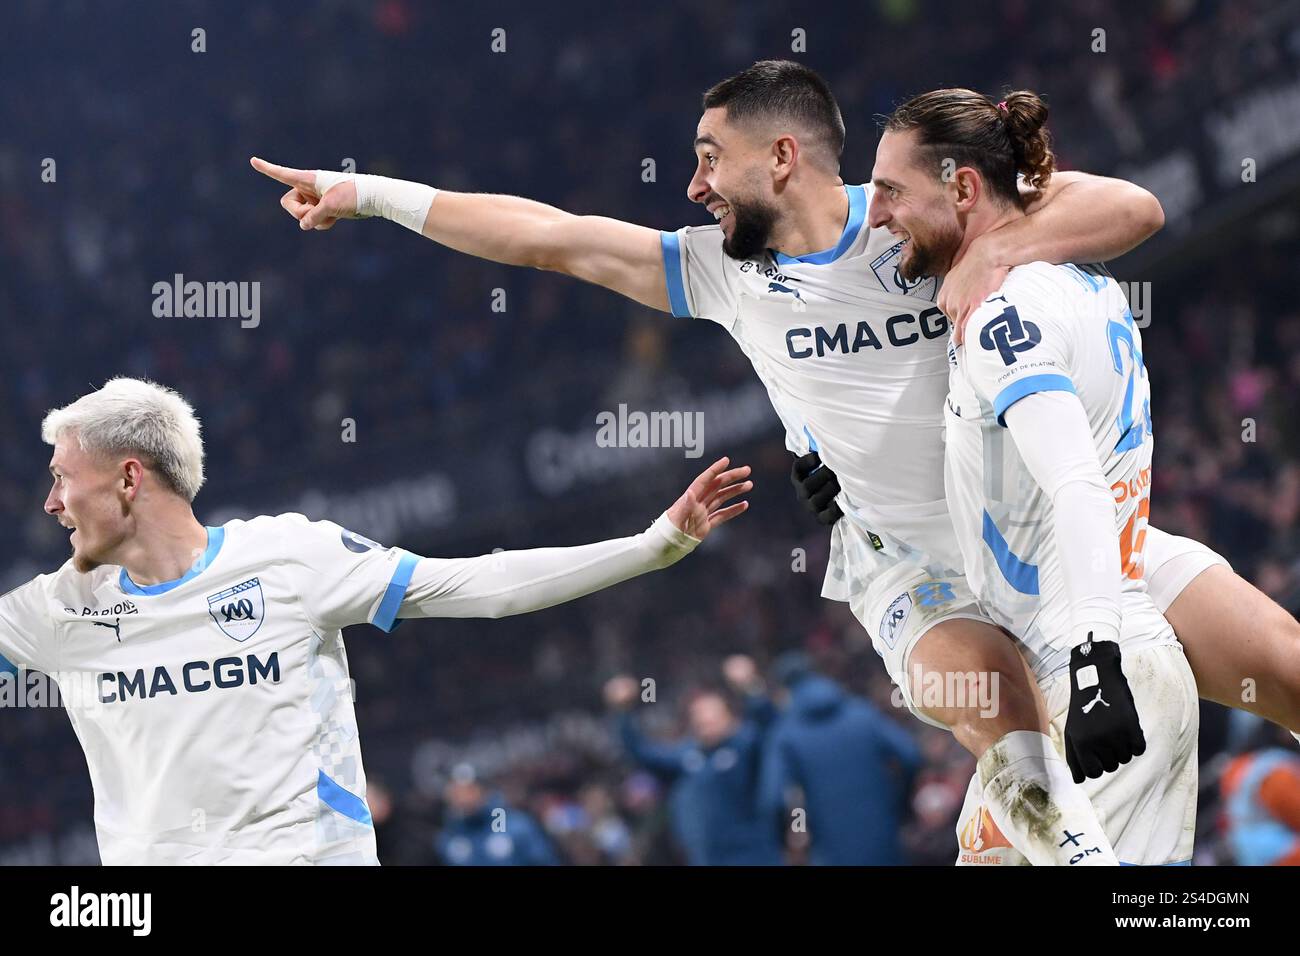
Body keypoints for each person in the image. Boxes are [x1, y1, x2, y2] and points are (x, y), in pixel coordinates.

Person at [249, 59, 1298, 862]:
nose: (695, 183)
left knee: (1285, 668)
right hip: (917, 573)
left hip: (1051, 531)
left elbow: (1135, 208)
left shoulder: (912, 218)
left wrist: (993, 251)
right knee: (1020, 739)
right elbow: (549, 237)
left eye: (710, 156)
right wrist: (369, 193)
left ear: (781, 156)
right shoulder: (720, 275)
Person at [0, 377, 752, 864]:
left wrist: (652, 547)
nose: (52, 502)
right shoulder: (56, 612)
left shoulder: (289, 557)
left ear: (130, 477)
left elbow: (477, 585)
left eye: (62, 477)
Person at [871, 87, 1200, 864]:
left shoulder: (1000, 317)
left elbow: (1075, 483)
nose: (877, 214)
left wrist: (1093, 663)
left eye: (891, 190)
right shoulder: (1078, 276)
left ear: (961, 187)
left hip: (1089, 671)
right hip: (1116, 667)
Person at [603, 655, 782, 865]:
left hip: (754, 855)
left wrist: (749, 686)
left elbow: (770, 727)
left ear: (729, 716)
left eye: (711, 712)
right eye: (698, 714)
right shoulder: (687, 758)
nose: (705, 719)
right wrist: (623, 712)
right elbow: (640, 752)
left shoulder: (745, 746)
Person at [760, 652, 922, 865]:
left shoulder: (785, 734)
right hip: (884, 837)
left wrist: (787, 839)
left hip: (830, 849)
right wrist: (900, 805)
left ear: (784, 691)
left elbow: (775, 799)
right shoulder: (861, 713)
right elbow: (910, 756)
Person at [435, 764, 559, 866]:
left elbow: (544, 861)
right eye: (456, 792)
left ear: (484, 792)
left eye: (468, 790)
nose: (462, 798)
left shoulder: (516, 826)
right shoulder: (449, 838)